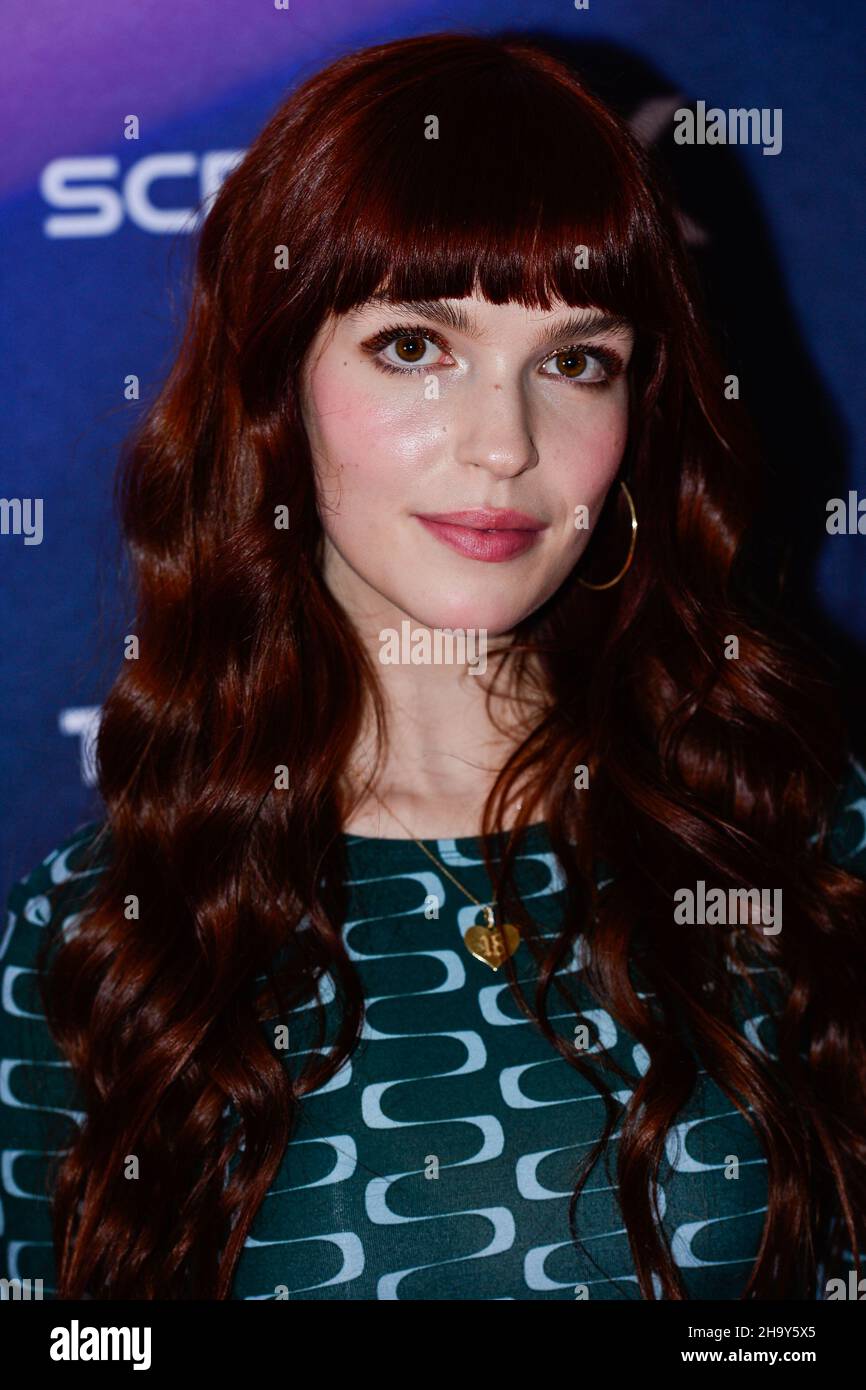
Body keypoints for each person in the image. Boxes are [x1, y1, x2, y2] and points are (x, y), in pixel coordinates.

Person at [2, 30, 865, 1302]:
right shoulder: (98, 929)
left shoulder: (802, 846)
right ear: (274, 387)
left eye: (575, 361)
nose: (504, 444)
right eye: (417, 344)